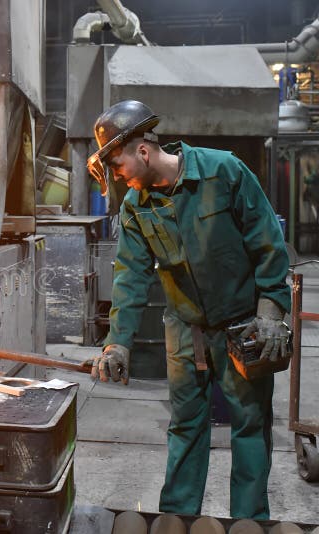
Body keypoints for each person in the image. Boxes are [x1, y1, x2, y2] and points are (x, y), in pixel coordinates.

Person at [86, 100, 291, 519]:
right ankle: (177, 521)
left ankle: (249, 523)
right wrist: (117, 342)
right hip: (184, 330)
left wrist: (271, 310)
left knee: (250, 425)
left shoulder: (223, 172)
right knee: (185, 427)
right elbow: (130, 275)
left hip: (243, 326)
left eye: (118, 166)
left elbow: (267, 240)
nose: (118, 177)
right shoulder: (136, 206)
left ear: (144, 151)